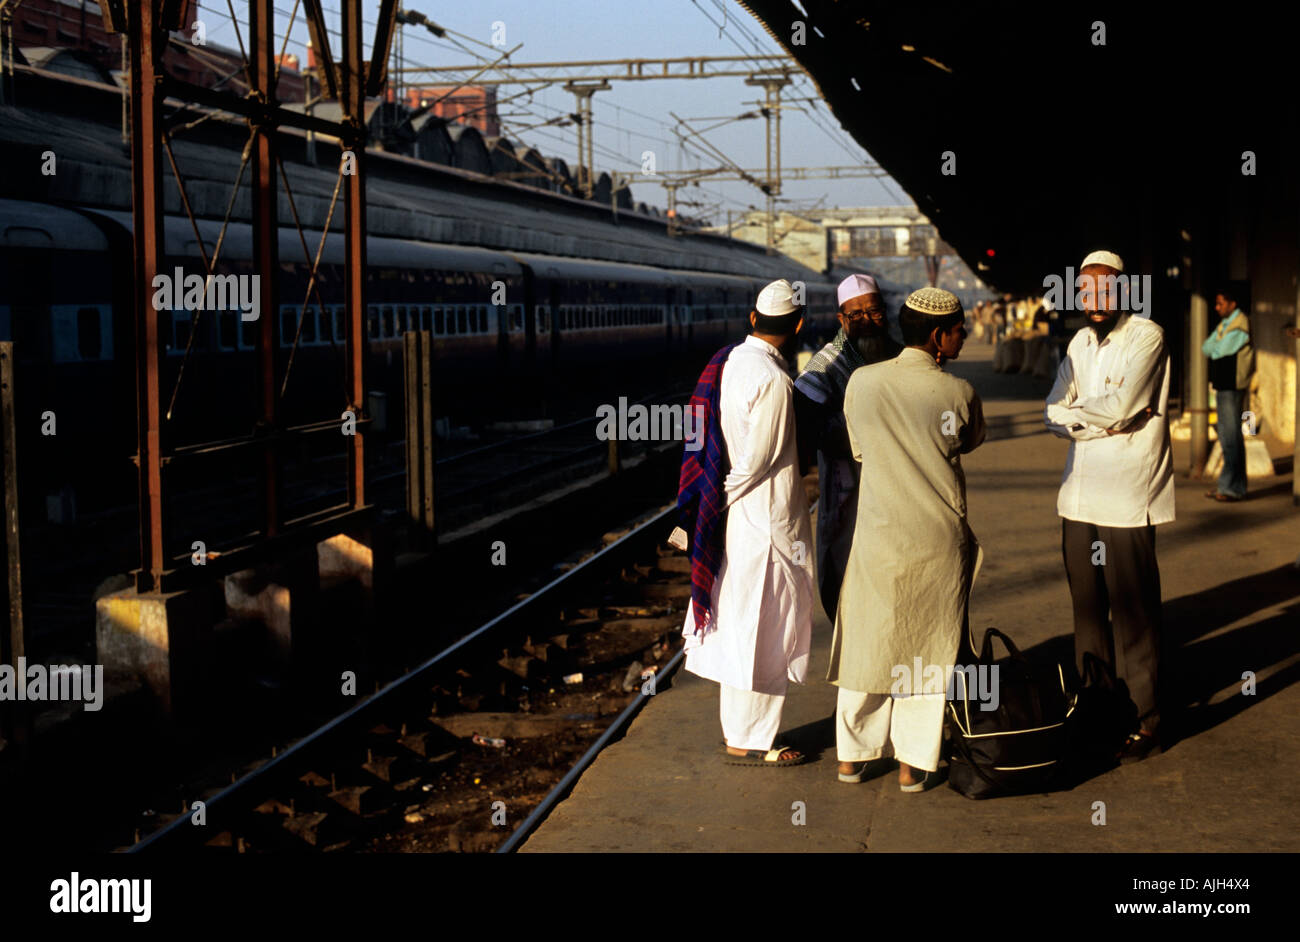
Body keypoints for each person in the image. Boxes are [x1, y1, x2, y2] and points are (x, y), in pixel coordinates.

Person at [831, 286, 985, 792]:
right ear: (940, 336)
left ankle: (852, 756)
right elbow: (969, 440)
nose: (965, 336)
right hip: (935, 538)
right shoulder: (958, 392)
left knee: (868, 642)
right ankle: (912, 763)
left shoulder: (862, 382)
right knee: (927, 645)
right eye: (960, 329)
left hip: (877, 535)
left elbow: (858, 450)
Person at [1043, 250, 1174, 763]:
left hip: (1127, 493)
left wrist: (1079, 415)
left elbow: (1124, 409)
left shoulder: (1147, 335)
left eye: (1103, 290)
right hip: (1078, 494)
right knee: (1088, 609)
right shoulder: (1077, 342)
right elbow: (1052, 410)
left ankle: (1146, 719)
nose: (1093, 300)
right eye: (1085, 291)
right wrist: (1090, 419)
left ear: (1123, 291)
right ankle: (1096, 707)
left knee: (1134, 612)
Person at [679, 278, 815, 767]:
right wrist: (711, 502)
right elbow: (759, 460)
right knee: (766, 630)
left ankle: (742, 732)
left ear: (754, 319)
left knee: (742, 626)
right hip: (764, 520)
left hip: (742, 520)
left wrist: (708, 502)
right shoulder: (775, 381)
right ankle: (754, 738)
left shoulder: (730, 361)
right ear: (798, 325)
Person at [794, 273, 902, 621]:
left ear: (885, 312)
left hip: (900, 493)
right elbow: (804, 422)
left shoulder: (902, 356)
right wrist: (865, 428)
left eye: (873, 312)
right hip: (848, 496)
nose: (866, 322)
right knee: (847, 585)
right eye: (855, 315)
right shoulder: (826, 364)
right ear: (841, 319)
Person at [1201, 285, 1253, 502]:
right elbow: (1207, 347)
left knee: (1231, 437)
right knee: (1225, 436)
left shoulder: (1239, 326)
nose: (1217, 307)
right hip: (1223, 386)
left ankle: (1233, 488)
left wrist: (1217, 348)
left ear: (1233, 304)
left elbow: (1221, 351)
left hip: (1232, 386)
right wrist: (1217, 348)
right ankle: (1228, 485)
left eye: (1221, 303)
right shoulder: (1225, 325)